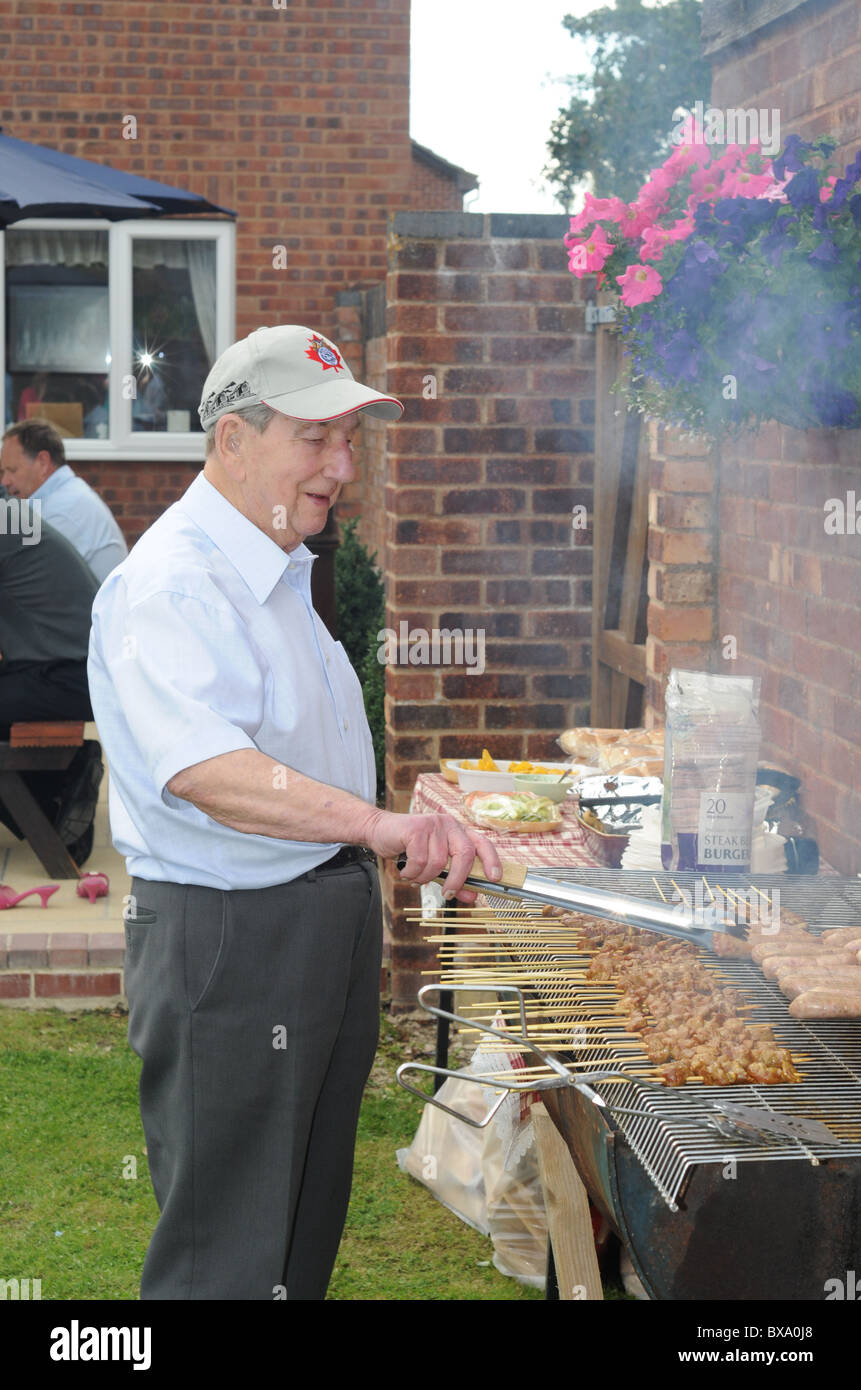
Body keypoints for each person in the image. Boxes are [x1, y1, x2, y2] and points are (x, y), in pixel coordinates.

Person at [87, 323, 501, 1301]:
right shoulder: (174, 580)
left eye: (348, 441)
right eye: (315, 439)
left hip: (313, 922)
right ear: (233, 440)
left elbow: (286, 749)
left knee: (298, 1226)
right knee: (227, 1251)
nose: (342, 467)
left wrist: (395, 812)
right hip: (232, 943)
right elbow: (205, 768)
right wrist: (371, 827)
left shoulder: (273, 563)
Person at [0, 500, 104, 864]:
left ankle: (53, 803)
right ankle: (58, 793)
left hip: (68, 675)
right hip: (71, 669)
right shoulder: (9, 515)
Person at [0, 419, 128, 583]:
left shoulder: (62, 510)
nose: (5, 482)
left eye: (12, 470)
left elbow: (26, 580)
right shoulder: (62, 496)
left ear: (43, 463)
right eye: (2, 472)